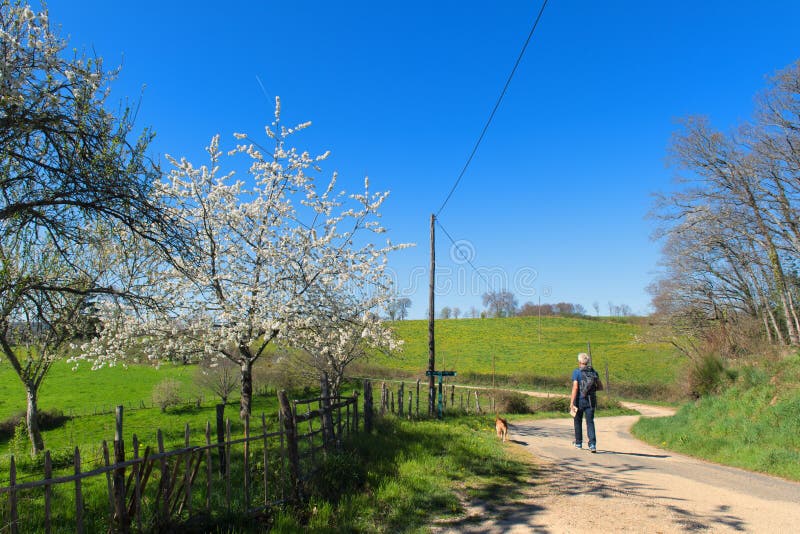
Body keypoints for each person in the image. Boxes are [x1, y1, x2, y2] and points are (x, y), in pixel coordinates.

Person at [570, 352, 602, 452]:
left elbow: (575, 388)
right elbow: (600, 387)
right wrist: (591, 390)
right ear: (587, 362)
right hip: (591, 401)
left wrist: (571, 402)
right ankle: (592, 444)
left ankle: (578, 443)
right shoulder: (594, 372)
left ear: (579, 361)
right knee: (590, 422)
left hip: (579, 400)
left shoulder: (576, 372)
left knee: (577, 421)